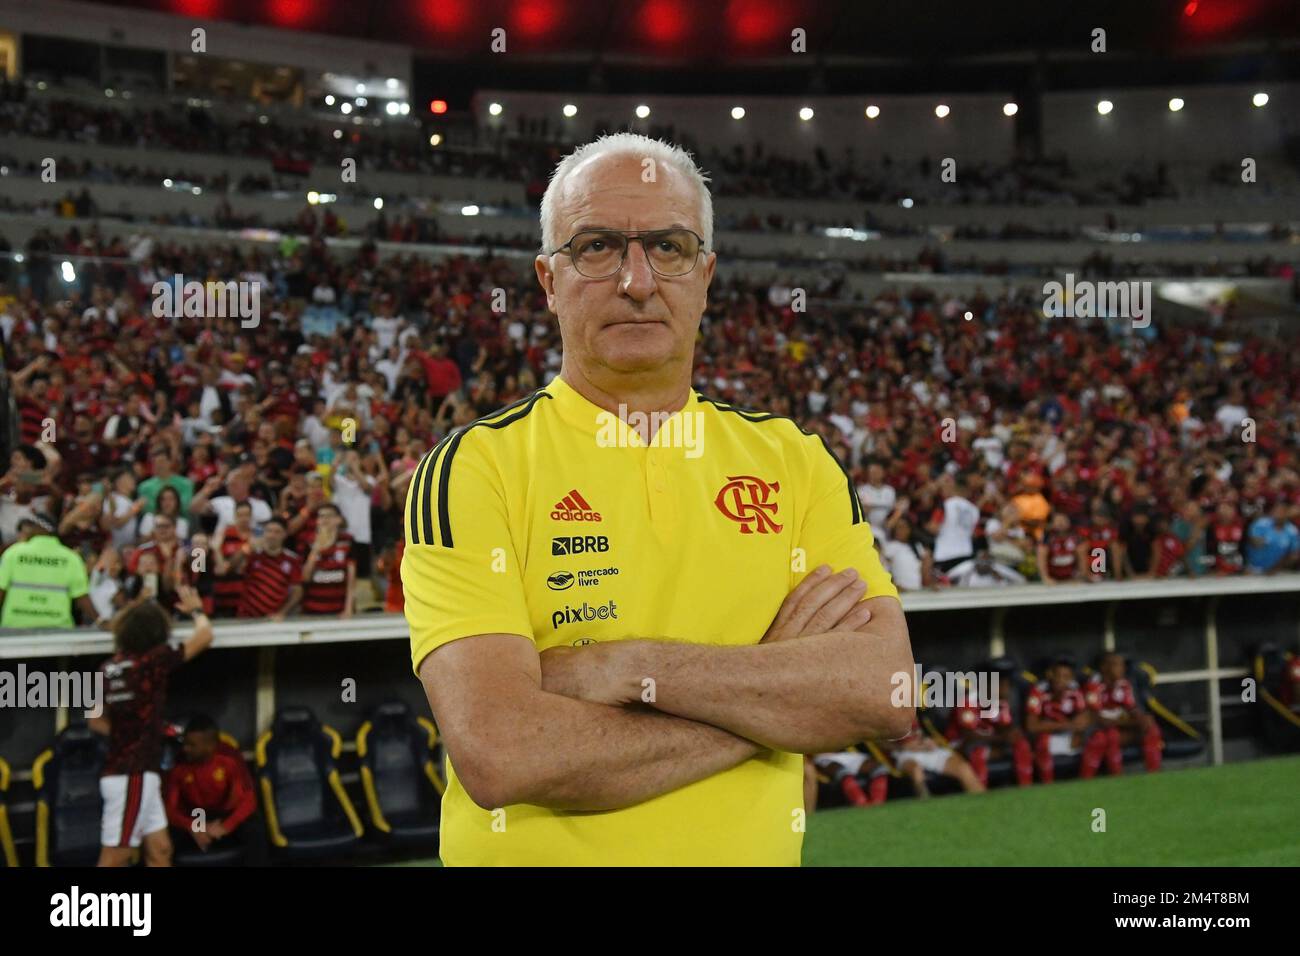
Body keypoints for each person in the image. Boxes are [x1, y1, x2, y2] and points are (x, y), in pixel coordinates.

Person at [402, 133, 912, 867]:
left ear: (705, 275)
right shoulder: (474, 468)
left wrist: (627, 667)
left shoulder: (794, 460)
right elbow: (502, 754)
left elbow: (885, 692)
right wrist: (775, 700)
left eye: (668, 247)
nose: (637, 280)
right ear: (548, 282)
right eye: (598, 247)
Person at [90, 586, 213, 866]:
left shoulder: (104, 670)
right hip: (133, 774)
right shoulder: (153, 662)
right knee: (116, 855)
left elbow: (95, 721)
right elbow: (204, 636)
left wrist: (131, 732)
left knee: (160, 849)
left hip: (128, 770)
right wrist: (196, 611)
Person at [163, 714, 257, 854]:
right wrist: (193, 827)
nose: (185, 749)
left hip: (223, 813)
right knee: (163, 837)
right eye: (185, 744)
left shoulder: (229, 758)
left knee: (254, 829)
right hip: (194, 815)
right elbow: (169, 808)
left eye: (191, 745)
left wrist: (225, 827)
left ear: (210, 746)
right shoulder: (179, 764)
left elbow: (249, 800)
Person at [0, 514, 97, 628]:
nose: (26, 530)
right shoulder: (70, 558)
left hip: (15, 626)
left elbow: (1, 590)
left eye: (31, 526)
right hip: (57, 628)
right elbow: (81, 597)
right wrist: (100, 620)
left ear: (42, 529)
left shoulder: (13, 554)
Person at [1084, 652, 1162, 775]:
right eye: (1117, 665)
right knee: (1110, 735)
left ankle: (1154, 775)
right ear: (1104, 667)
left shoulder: (1123, 684)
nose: (1122, 669)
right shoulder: (1094, 685)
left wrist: (1141, 718)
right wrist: (1132, 722)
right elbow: (1098, 719)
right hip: (1096, 732)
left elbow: (1132, 709)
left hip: (1119, 727)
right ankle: (1110, 777)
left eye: (1122, 665)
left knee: (1151, 728)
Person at [231, 518, 302, 620]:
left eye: (277, 532)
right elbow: (228, 568)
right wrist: (246, 548)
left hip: (272, 619)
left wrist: (282, 613)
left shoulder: (292, 560)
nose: (272, 535)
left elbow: (297, 591)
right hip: (246, 616)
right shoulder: (253, 555)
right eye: (269, 531)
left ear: (285, 534)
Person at [1245, 501, 1299, 574]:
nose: (1278, 514)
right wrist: (1266, 542)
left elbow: (1294, 554)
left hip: (1276, 571)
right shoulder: (1261, 523)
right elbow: (1254, 542)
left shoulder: (1292, 531)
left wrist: (1276, 567)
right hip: (1253, 569)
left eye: (1282, 511)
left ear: (1287, 513)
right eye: (1276, 511)